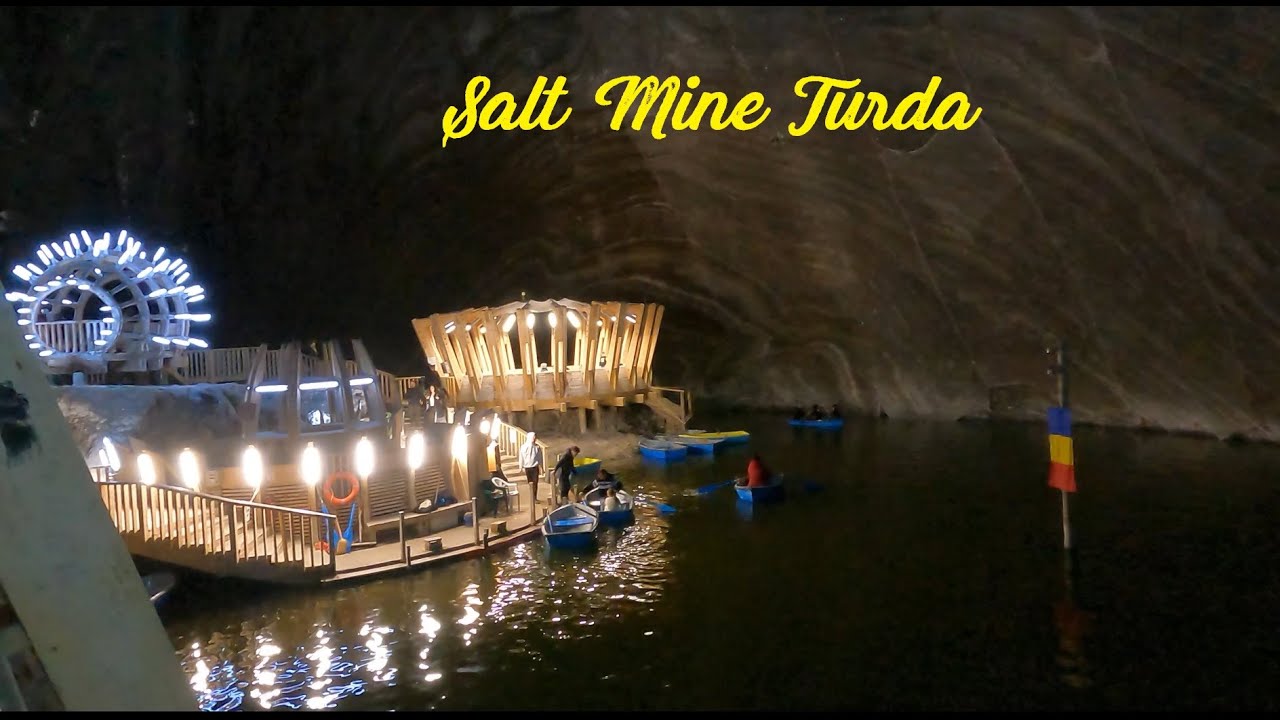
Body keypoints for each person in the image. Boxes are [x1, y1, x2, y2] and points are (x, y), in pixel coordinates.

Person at [519, 432, 544, 504]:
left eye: (535, 437)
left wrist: (541, 467)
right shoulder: (523, 447)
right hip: (527, 467)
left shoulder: (537, 447)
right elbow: (521, 457)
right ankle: (532, 496)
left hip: (535, 467)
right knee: (530, 483)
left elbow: (540, 458)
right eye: (533, 437)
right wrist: (521, 466)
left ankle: (534, 497)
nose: (534, 439)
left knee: (535, 482)